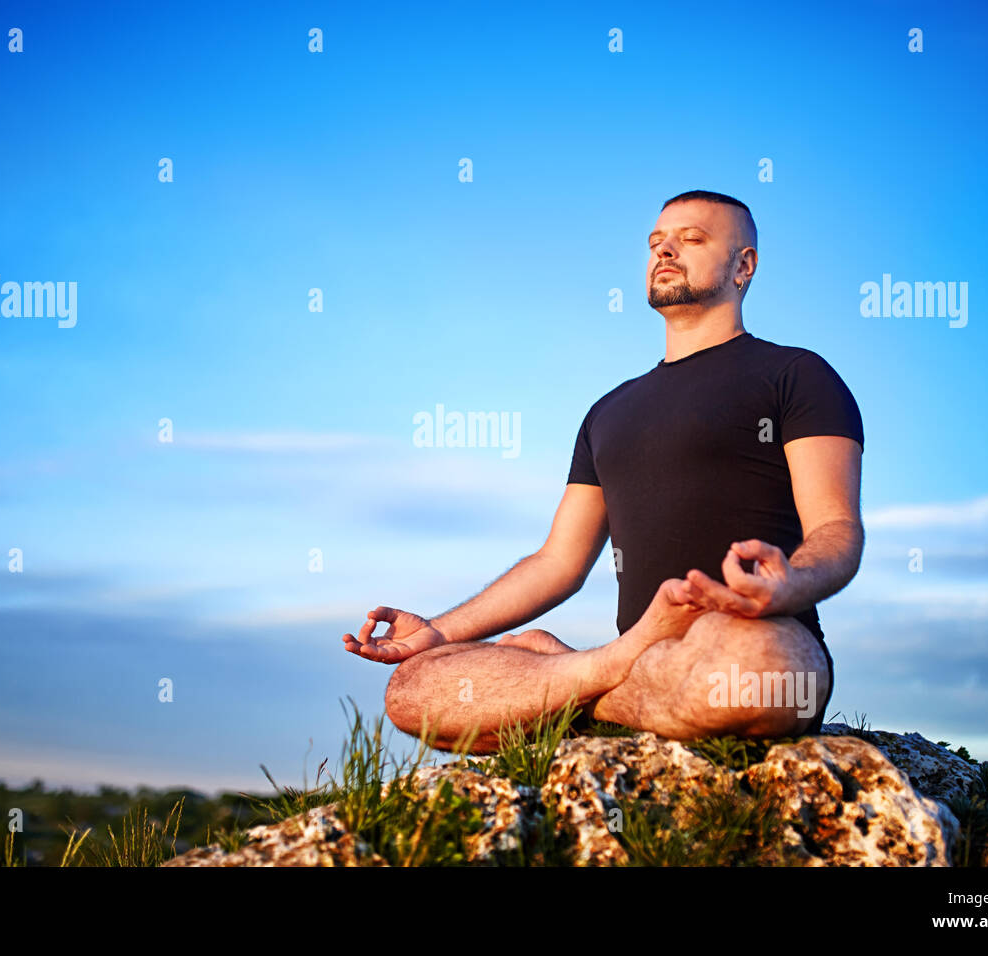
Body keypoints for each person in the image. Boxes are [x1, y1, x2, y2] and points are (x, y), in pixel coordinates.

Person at [342, 190, 865, 753]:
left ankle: (581, 686)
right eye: (656, 243)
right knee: (413, 688)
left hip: (750, 635)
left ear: (744, 265)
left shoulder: (796, 375)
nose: (666, 251)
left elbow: (837, 530)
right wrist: (439, 632)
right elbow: (557, 563)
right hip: (641, 649)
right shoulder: (607, 411)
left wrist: (789, 584)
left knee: (768, 674)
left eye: (692, 239)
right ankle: (615, 670)